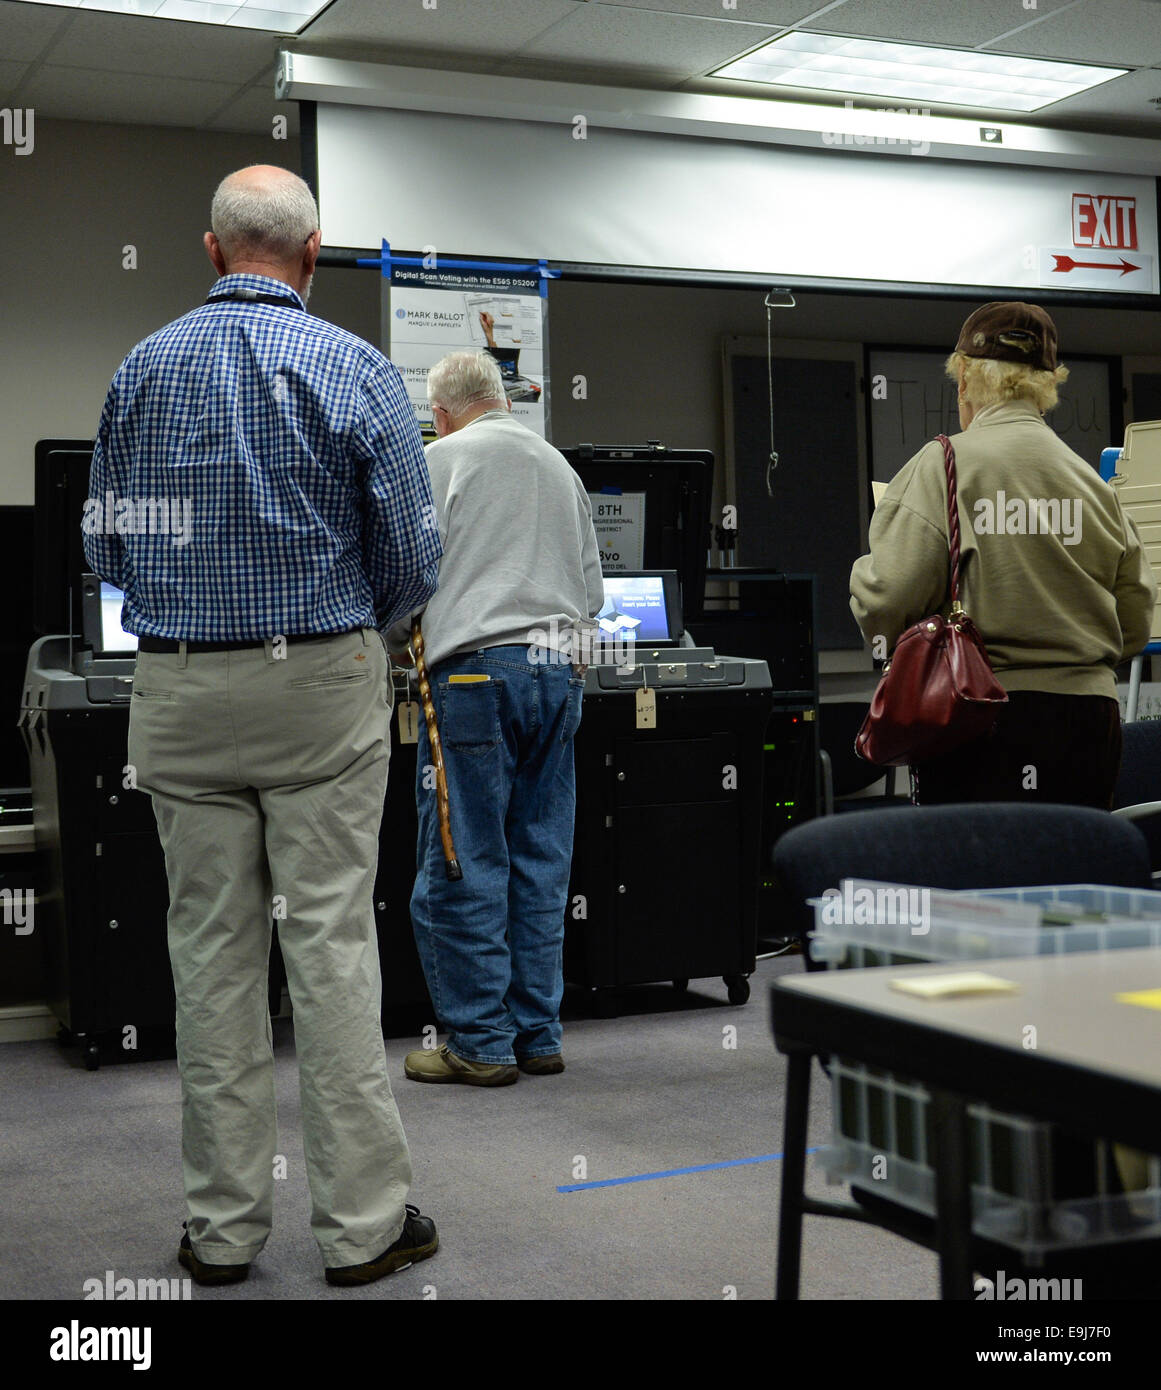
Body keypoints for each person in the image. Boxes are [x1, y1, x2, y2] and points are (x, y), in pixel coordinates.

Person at [83, 165, 442, 1287]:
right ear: (315, 254)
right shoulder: (361, 370)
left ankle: (223, 1231)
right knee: (332, 951)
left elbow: (102, 547)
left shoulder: (141, 369)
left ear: (209, 250)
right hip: (321, 685)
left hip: (180, 692)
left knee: (211, 962)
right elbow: (413, 561)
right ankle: (362, 1229)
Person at [390, 351, 603, 1086]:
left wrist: (394, 644)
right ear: (503, 402)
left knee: (464, 855)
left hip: (475, 672)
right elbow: (592, 595)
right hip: (559, 670)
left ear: (441, 413)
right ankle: (537, 1033)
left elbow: (404, 576)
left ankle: (478, 1043)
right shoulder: (557, 467)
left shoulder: (436, 459)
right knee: (541, 856)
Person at [850, 301, 1156, 808]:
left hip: (979, 716)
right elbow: (1135, 620)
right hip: (1091, 723)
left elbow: (888, 599)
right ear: (1048, 384)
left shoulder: (942, 464)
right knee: (1071, 876)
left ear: (965, 376)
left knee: (981, 882)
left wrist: (865, 573)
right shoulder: (1094, 485)